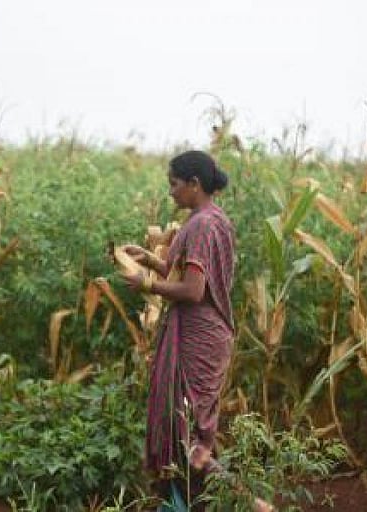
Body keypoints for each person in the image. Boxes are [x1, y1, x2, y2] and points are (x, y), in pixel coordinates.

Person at [123, 150, 273, 512]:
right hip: (195, 333)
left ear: (195, 184)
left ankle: (251, 505)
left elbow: (193, 290)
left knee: (188, 436)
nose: (171, 192)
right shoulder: (204, 219)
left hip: (199, 337)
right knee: (181, 432)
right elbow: (185, 273)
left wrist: (146, 284)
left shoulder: (205, 224)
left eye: (175, 184)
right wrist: (150, 259)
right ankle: (196, 504)